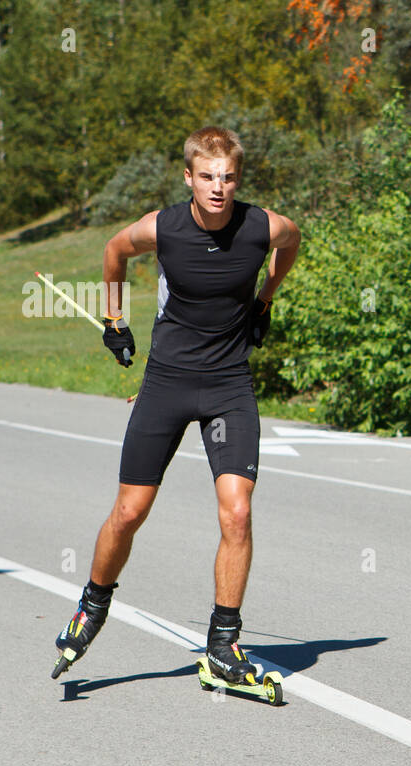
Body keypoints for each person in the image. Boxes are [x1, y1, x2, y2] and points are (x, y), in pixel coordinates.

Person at [52, 126, 300, 685]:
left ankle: (223, 646)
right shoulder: (163, 227)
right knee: (129, 512)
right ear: (189, 176)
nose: (219, 187)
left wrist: (265, 299)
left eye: (229, 177)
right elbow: (113, 251)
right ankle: (92, 604)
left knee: (237, 511)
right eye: (208, 176)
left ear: (238, 179)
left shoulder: (262, 226)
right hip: (166, 381)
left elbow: (293, 241)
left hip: (228, 385)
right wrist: (115, 321)